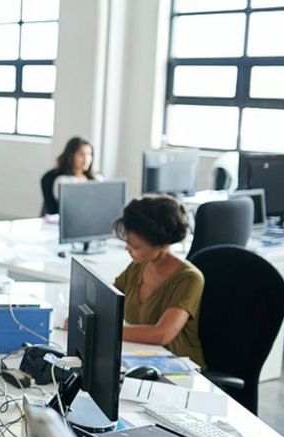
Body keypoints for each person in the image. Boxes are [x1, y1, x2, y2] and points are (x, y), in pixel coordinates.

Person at [112, 196, 205, 368]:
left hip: (176, 367)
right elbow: (108, 298)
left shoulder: (189, 278)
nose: (127, 248)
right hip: (141, 357)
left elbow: (162, 334)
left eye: (135, 246)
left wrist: (105, 330)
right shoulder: (139, 265)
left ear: (162, 246)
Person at [41, 137, 102, 216]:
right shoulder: (63, 180)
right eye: (81, 154)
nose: (86, 159)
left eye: (89, 154)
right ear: (71, 156)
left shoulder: (97, 178)